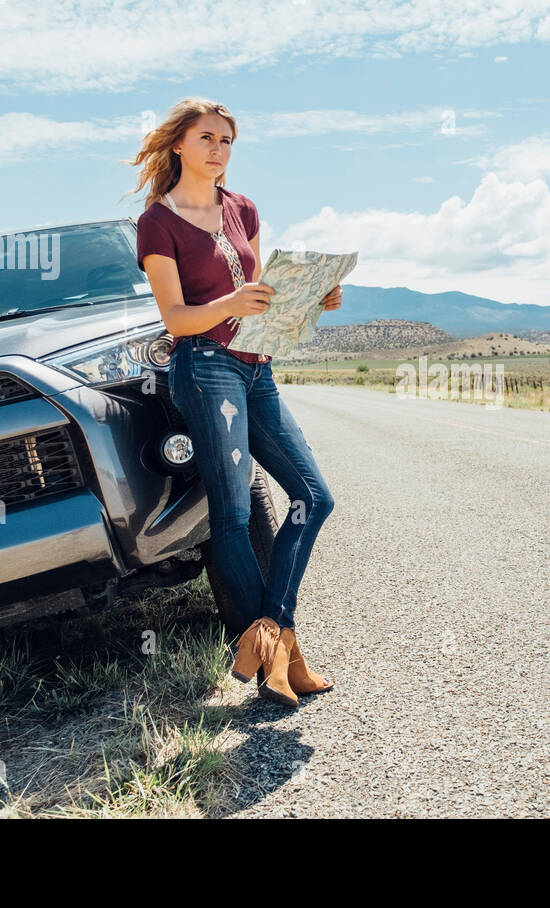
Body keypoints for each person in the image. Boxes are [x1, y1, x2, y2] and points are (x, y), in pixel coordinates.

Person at [126, 97, 342, 709]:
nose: (219, 150)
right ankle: (283, 662)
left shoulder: (242, 209)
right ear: (178, 146)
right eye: (207, 138)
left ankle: (274, 635)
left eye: (227, 141)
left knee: (314, 494)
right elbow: (176, 317)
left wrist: (309, 300)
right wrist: (232, 304)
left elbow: (260, 295)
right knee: (232, 513)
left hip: (257, 366)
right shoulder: (157, 223)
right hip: (205, 369)